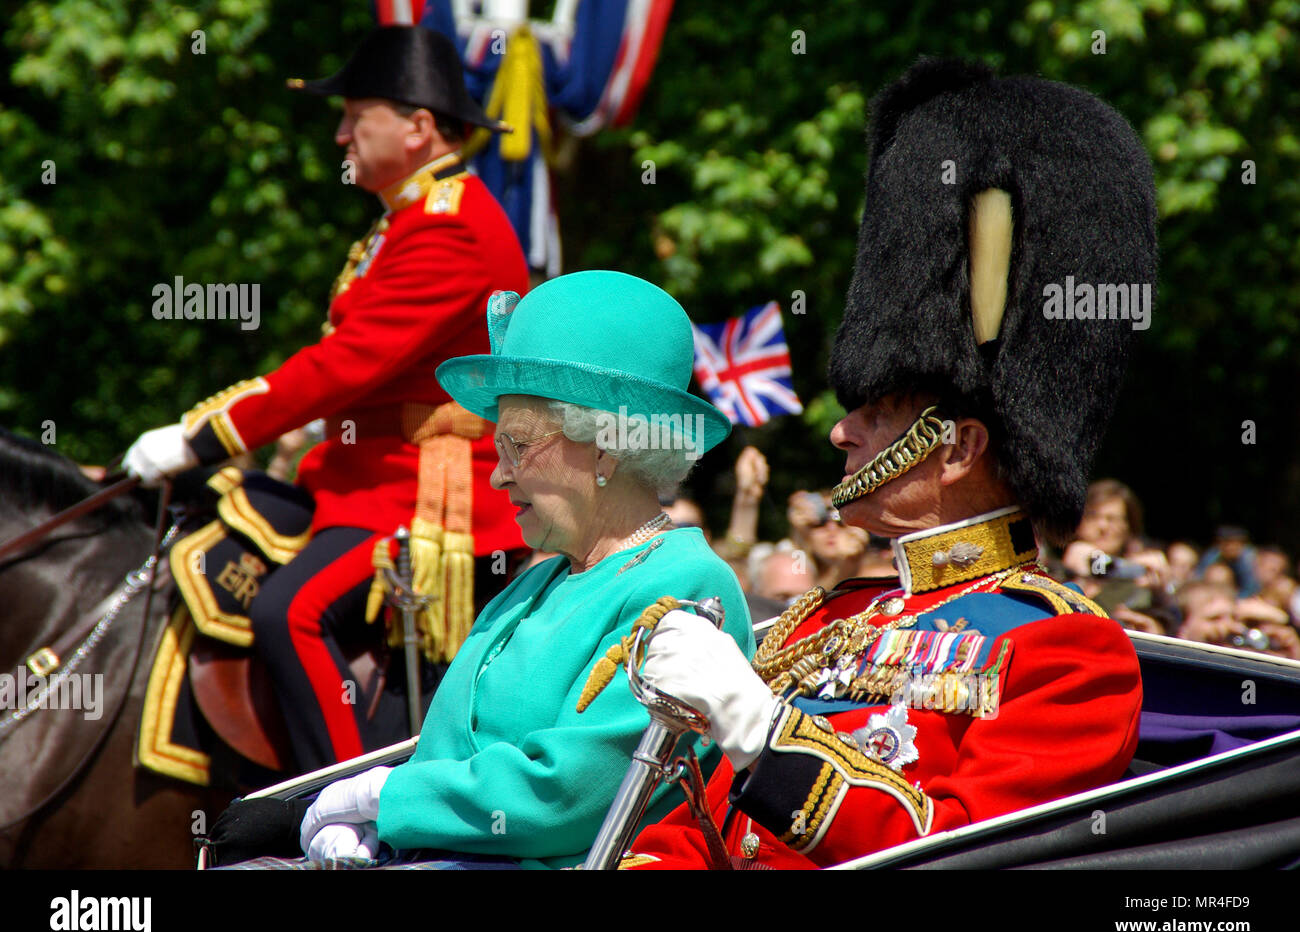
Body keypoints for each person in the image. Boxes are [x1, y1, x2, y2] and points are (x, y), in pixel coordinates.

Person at [621, 60, 1150, 868]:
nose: (842, 434)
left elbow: (955, 852)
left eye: (877, 414)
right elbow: (695, 829)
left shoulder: (1066, 654)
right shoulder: (822, 621)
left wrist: (765, 737)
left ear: (960, 447)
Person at [208, 271, 753, 869]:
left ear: (607, 446)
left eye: (520, 446)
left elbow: (564, 796)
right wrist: (377, 831)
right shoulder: (532, 585)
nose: (498, 475)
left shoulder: (684, 584)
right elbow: (445, 754)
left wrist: (380, 799)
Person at [121, 26, 530, 772]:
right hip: (365, 479)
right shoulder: (408, 216)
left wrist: (200, 433)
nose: (340, 134)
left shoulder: (450, 228)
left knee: (291, 613)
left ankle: (340, 807)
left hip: (430, 495)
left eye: (354, 115)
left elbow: (344, 364)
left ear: (418, 126)